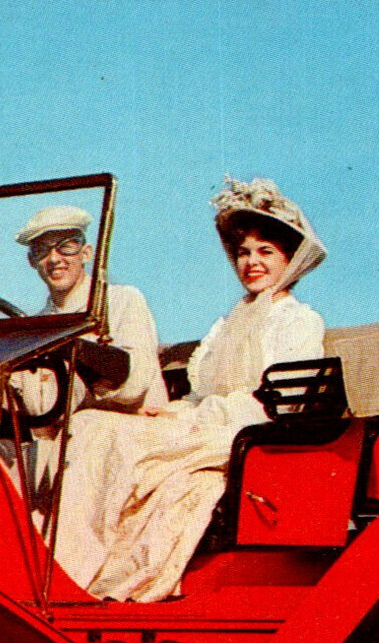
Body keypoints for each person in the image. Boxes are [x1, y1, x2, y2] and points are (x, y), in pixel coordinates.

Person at [52, 177, 327, 601]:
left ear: (289, 260)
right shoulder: (230, 322)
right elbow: (203, 391)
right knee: (89, 425)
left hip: (252, 431)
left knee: (111, 439)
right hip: (206, 420)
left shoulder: (297, 321)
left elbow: (281, 401)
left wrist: (197, 416)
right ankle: (66, 559)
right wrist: (177, 411)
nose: (251, 263)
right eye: (243, 253)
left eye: (265, 253)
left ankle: (78, 571)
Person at [7, 205, 168, 508]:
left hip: (121, 442)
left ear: (86, 252)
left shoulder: (121, 302)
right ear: (32, 262)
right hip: (59, 450)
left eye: (66, 245)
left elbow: (133, 385)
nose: (54, 259)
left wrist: (77, 351)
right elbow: (32, 408)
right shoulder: (34, 325)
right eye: (41, 250)